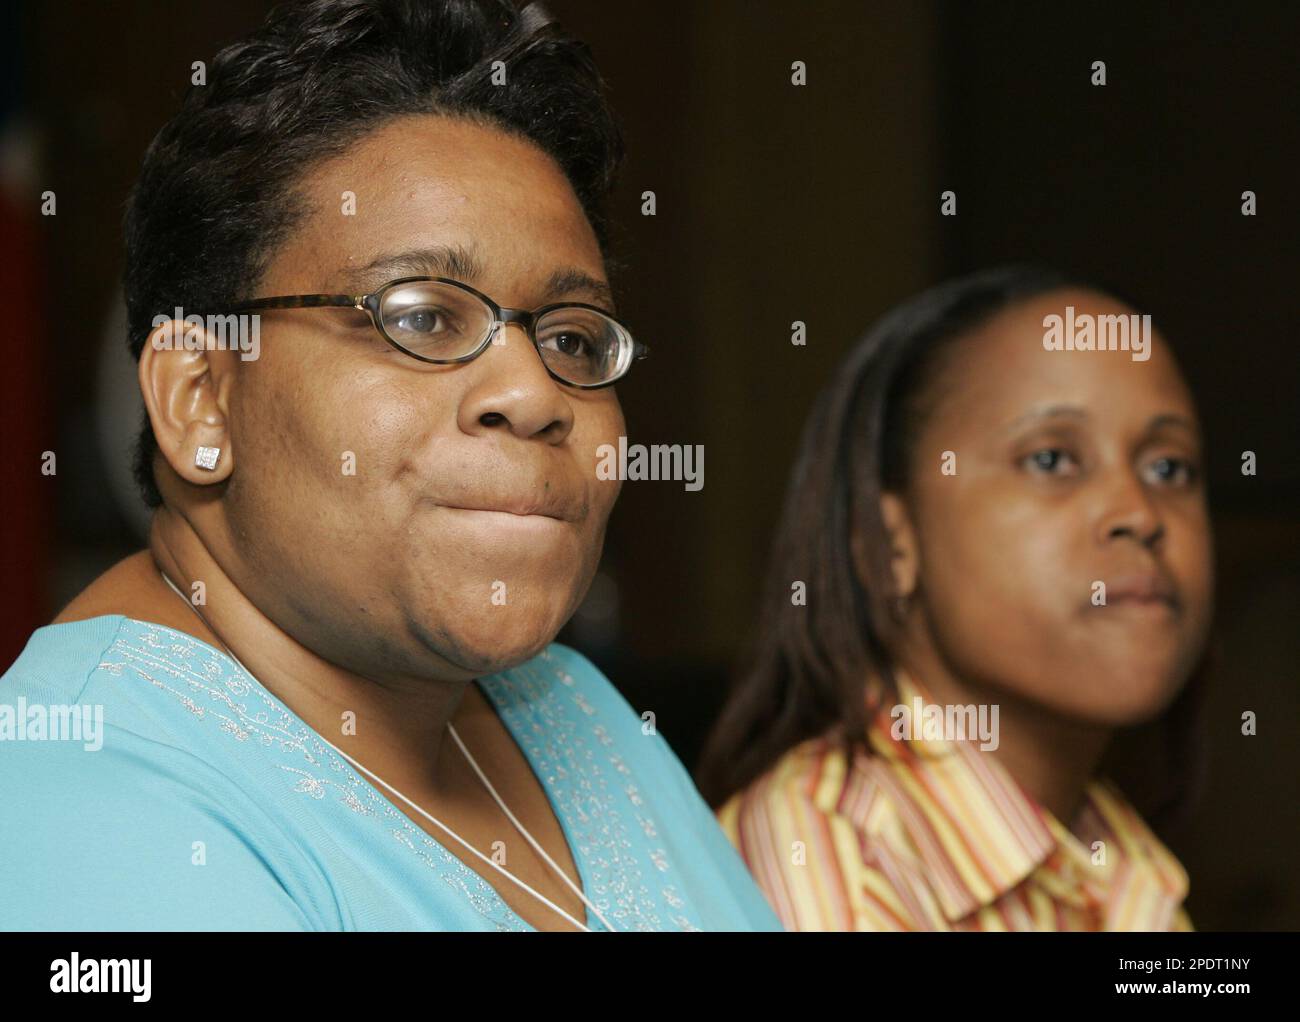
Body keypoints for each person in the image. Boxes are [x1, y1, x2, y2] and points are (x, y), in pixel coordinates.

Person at [0, 0, 781, 933]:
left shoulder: (571, 707)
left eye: (571, 338)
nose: (536, 395)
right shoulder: (84, 801)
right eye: (419, 317)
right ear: (200, 397)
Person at [700, 266, 1212, 931]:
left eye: (1168, 467)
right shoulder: (833, 864)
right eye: (1053, 459)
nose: (1139, 512)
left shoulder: (1116, 864)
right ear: (890, 544)